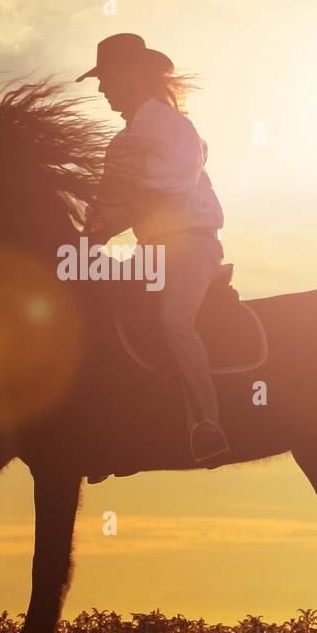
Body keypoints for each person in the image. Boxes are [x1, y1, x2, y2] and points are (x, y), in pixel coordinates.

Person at [78, 33, 230, 464]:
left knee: (174, 320)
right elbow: (106, 206)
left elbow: (170, 184)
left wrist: (110, 220)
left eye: (107, 78)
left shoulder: (174, 127)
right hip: (150, 252)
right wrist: (84, 235)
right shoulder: (121, 142)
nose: (103, 88)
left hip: (190, 247)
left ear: (134, 76)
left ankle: (206, 424)